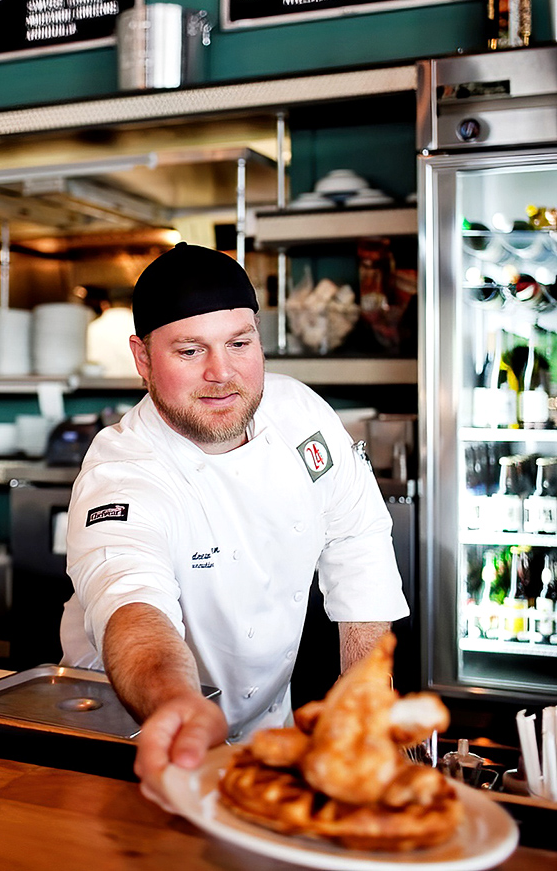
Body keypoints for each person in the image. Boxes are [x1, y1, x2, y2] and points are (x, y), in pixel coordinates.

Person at [60, 242, 409, 807]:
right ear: (143, 359)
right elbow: (132, 608)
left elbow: (357, 540)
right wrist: (176, 702)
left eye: (239, 344)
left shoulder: (299, 414)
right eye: (190, 350)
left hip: (271, 730)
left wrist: (365, 697)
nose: (221, 374)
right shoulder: (121, 473)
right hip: (139, 736)